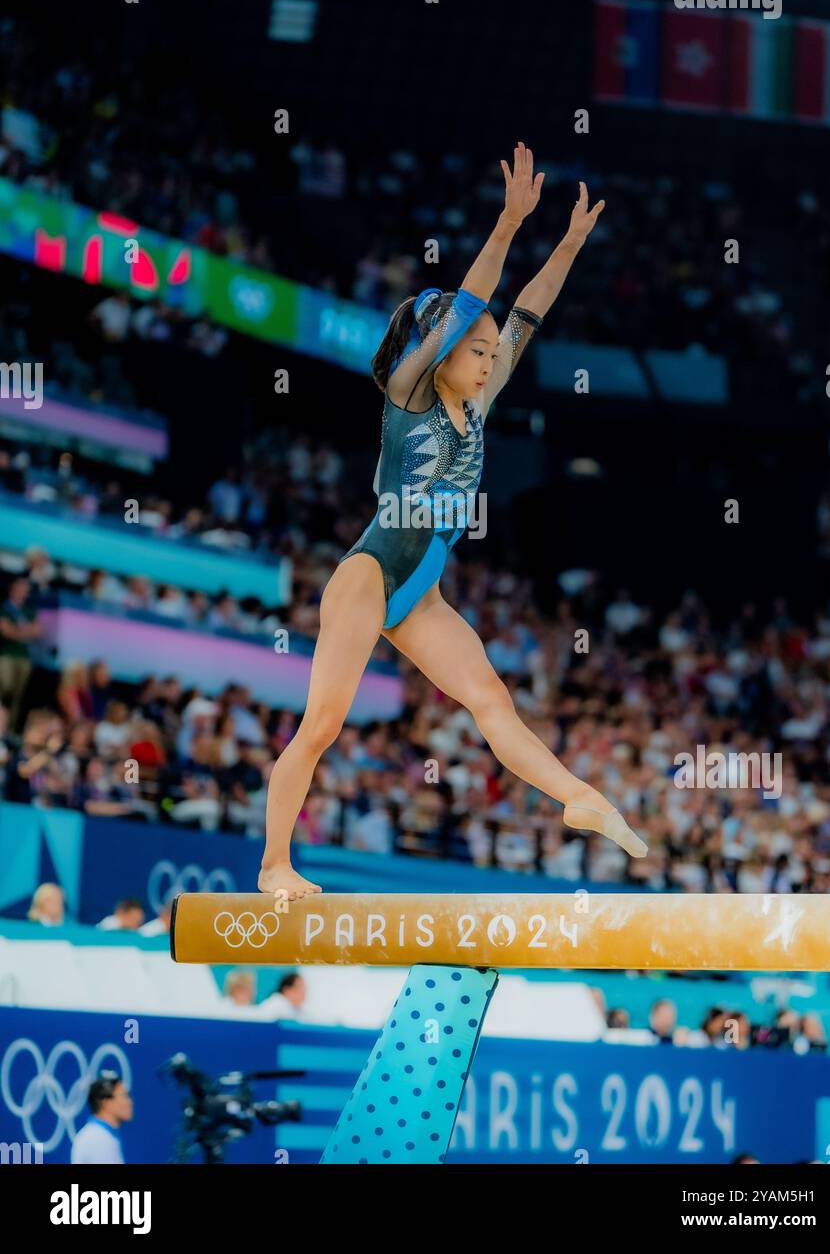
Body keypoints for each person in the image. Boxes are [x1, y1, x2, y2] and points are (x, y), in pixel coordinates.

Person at [260, 145, 647, 899]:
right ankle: (276, 863)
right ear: (438, 352)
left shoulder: (480, 396)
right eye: (475, 348)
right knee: (323, 725)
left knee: (492, 701)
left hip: (423, 594)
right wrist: (506, 225)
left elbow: (526, 311)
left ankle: (577, 796)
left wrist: (567, 242)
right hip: (369, 576)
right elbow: (473, 302)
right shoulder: (409, 394)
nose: (488, 357)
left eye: (491, 352)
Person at [0, 576, 41, 729]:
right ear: (12, 589)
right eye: (20, 588)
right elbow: (6, 631)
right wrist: (25, 632)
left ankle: (9, 728)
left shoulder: (29, 610)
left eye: (25, 590)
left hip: (24, 657)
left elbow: (38, 630)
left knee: (17, 696)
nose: (23, 592)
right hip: (6, 655)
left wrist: (17, 632)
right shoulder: (4, 608)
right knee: (5, 688)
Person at [70, 1074, 133, 1164]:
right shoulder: (97, 1139)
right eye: (124, 1096)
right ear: (106, 1103)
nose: (130, 1102)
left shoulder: (101, 1135)